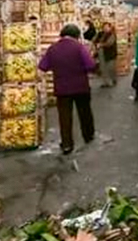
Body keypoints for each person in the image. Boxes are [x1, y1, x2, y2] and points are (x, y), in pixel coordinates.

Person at [38, 24, 97, 155]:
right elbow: (90, 65)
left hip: (62, 88)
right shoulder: (79, 47)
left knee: (65, 116)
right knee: (84, 112)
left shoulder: (53, 49)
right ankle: (88, 135)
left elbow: (43, 66)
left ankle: (67, 144)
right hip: (81, 86)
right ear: (76, 35)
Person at [95, 22, 118, 88]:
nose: (105, 28)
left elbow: (110, 43)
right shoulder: (100, 34)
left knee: (110, 68)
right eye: (104, 27)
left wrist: (101, 44)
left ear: (110, 27)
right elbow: (94, 39)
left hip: (110, 54)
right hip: (102, 54)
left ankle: (112, 81)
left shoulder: (112, 34)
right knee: (103, 68)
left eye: (107, 27)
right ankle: (106, 82)